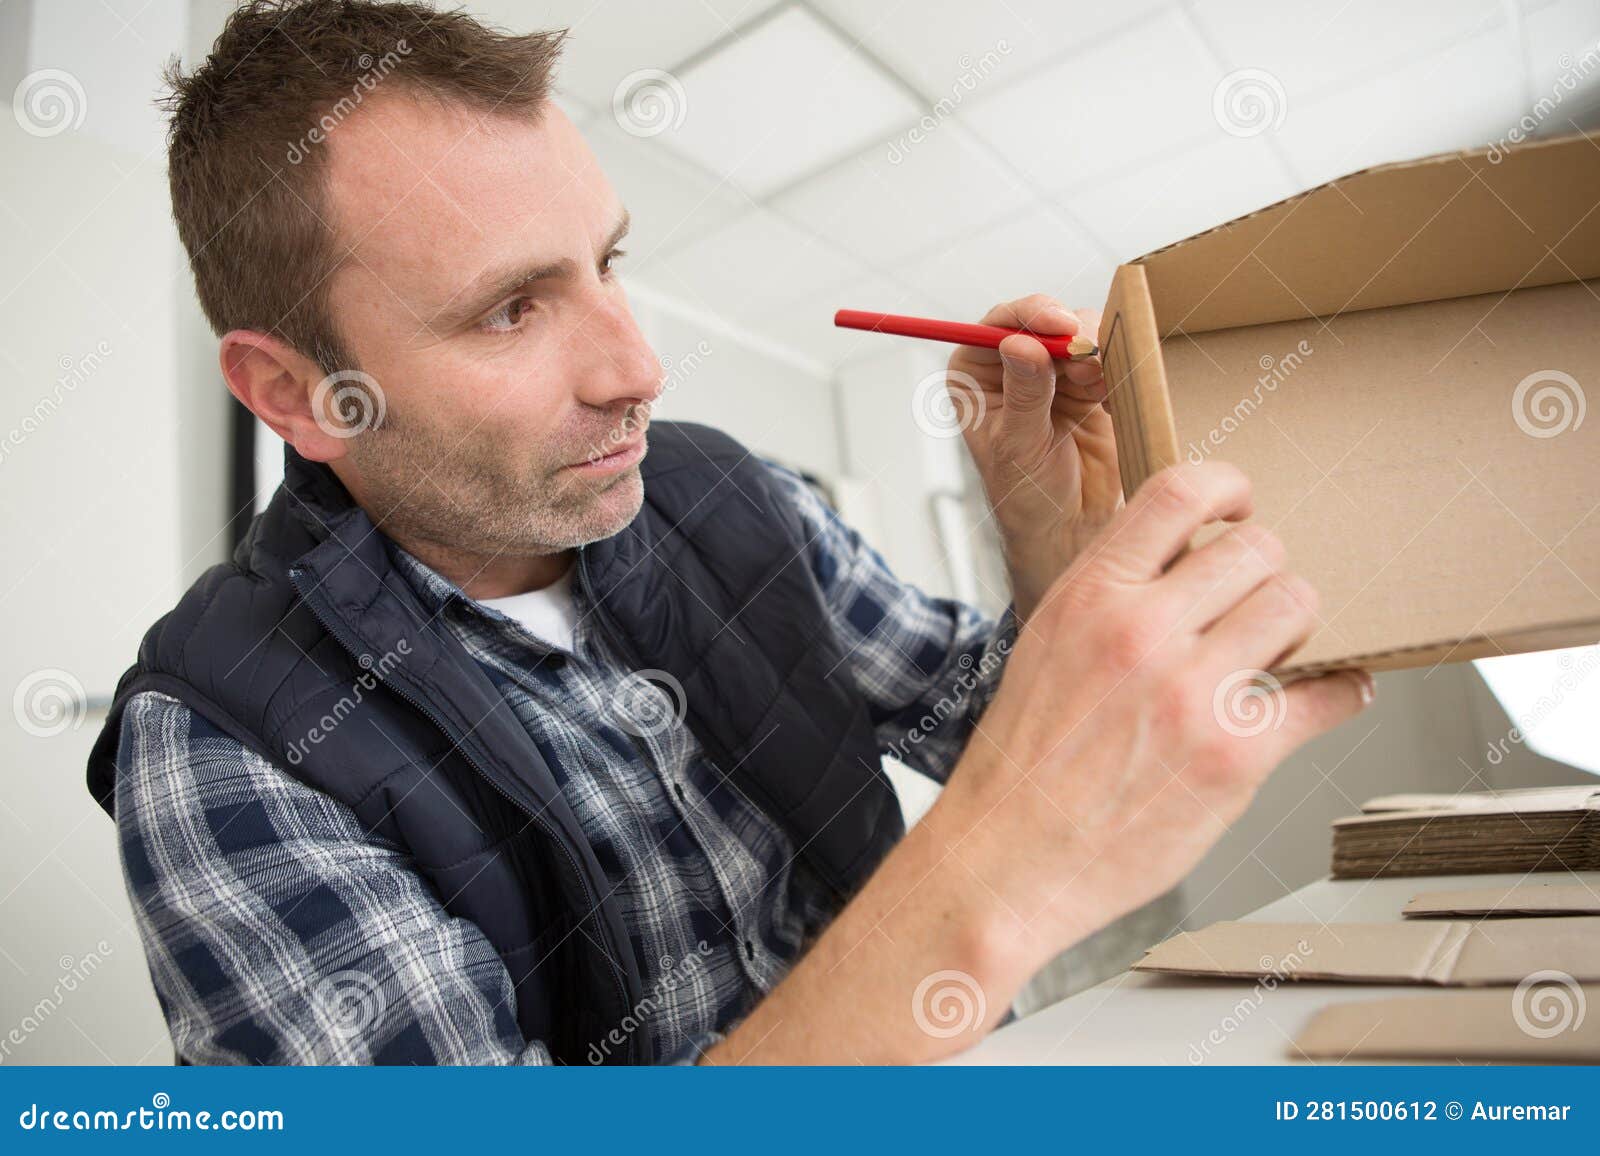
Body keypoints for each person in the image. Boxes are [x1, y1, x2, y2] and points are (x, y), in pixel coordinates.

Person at [87, 0, 1373, 1066]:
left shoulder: (725, 494)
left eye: (606, 262)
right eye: (509, 310)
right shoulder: (220, 738)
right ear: (294, 393)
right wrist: (991, 876)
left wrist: (1047, 539)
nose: (638, 370)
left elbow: (1000, 728)